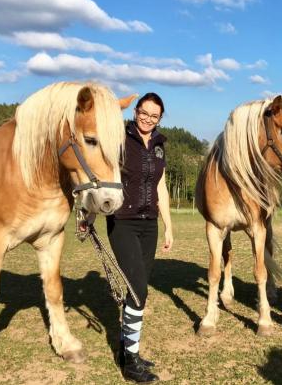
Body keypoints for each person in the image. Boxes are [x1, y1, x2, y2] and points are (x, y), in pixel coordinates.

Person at [107, 93, 174, 383]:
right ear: (135, 111)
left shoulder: (159, 145)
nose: (148, 119)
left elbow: (161, 187)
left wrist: (168, 226)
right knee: (137, 290)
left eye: (154, 115)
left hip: (149, 225)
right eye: (144, 113)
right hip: (122, 222)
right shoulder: (119, 138)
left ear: (160, 118)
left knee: (139, 287)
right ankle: (131, 361)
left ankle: (128, 350)